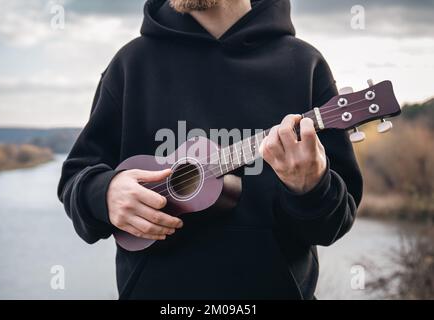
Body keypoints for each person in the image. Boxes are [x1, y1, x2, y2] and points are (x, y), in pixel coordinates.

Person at [58, 0, 363, 299]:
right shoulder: (132, 64)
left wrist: (310, 187)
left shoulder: (304, 66)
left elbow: (332, 226)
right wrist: (106, 192)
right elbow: (76, 178)